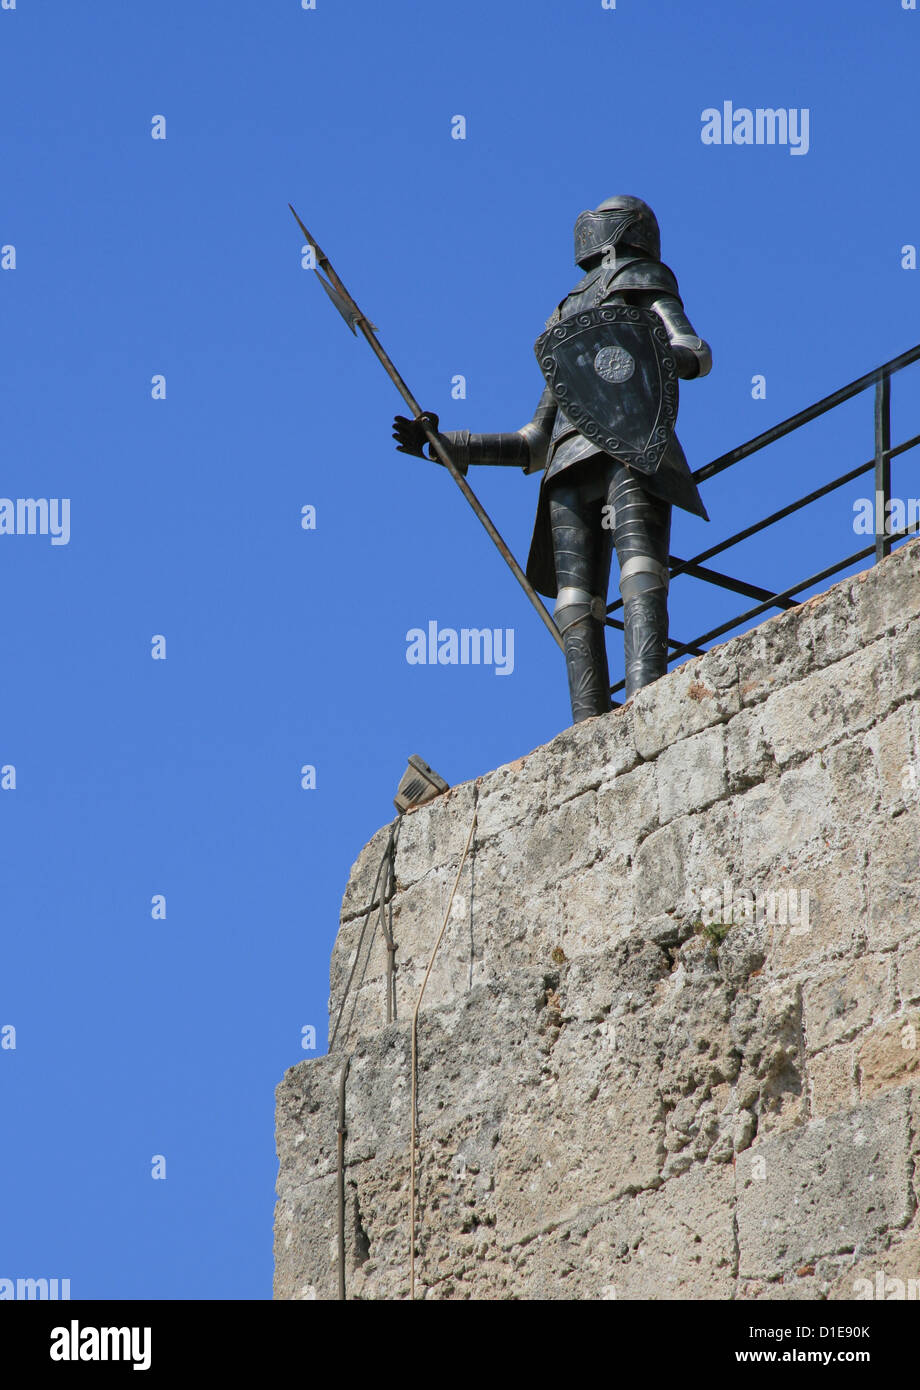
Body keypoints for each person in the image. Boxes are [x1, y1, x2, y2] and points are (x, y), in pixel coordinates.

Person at [393, 196, 712, 723]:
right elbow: (536, 439)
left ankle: (646, 699)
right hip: (571, 463)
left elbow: (693, 354)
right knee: (580, 596)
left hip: (629, 445)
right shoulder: (564, 317)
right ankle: (590, 721)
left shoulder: (639, 279)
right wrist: (451, 444)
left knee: (635, 570)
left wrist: (637, 357)